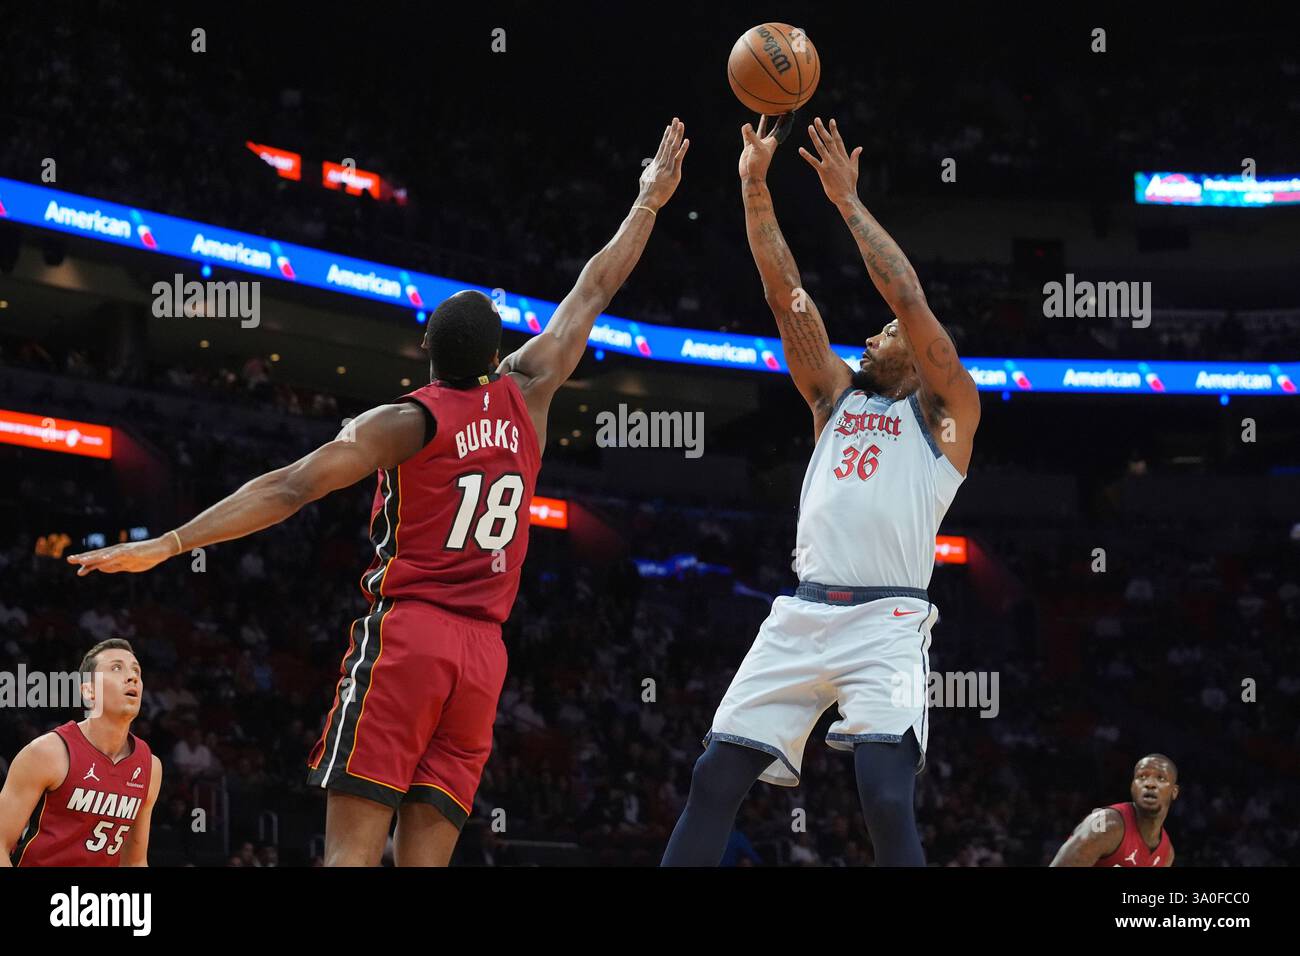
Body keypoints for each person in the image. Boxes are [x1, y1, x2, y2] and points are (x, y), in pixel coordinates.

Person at [67, 118, 690, 866]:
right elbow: (595, 286)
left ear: (425, 355)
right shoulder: (531, 391)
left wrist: (170, 542)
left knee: (350, 858)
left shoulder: (404, 421)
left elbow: (290, 487)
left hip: (412, 638)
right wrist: (648, 202)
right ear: (497, 356)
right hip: (485, 658)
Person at [662, 116, 980, 866]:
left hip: (889, 620)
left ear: (919, 351)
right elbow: (785, 292)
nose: (868, 339)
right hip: (803, 614)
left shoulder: (948, 414)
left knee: (885, 795)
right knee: (713, 777)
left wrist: (846, 200)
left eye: (884, 334)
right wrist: (752, 185)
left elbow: (906, 296)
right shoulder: (833, 398)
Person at [0, 639, 163, 866]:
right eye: (117, 668)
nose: (132, 676)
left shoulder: (150, 766)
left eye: (137, 670)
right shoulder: (48, 753)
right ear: (89, 690)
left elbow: (135, 862)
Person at [1050, 754, 1177, 866]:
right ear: (1133, 786)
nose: (1149, 783)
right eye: (1142, 777)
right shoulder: (1104, 824)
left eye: (1161, 778)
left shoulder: (1167, 853)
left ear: (1174, 792)